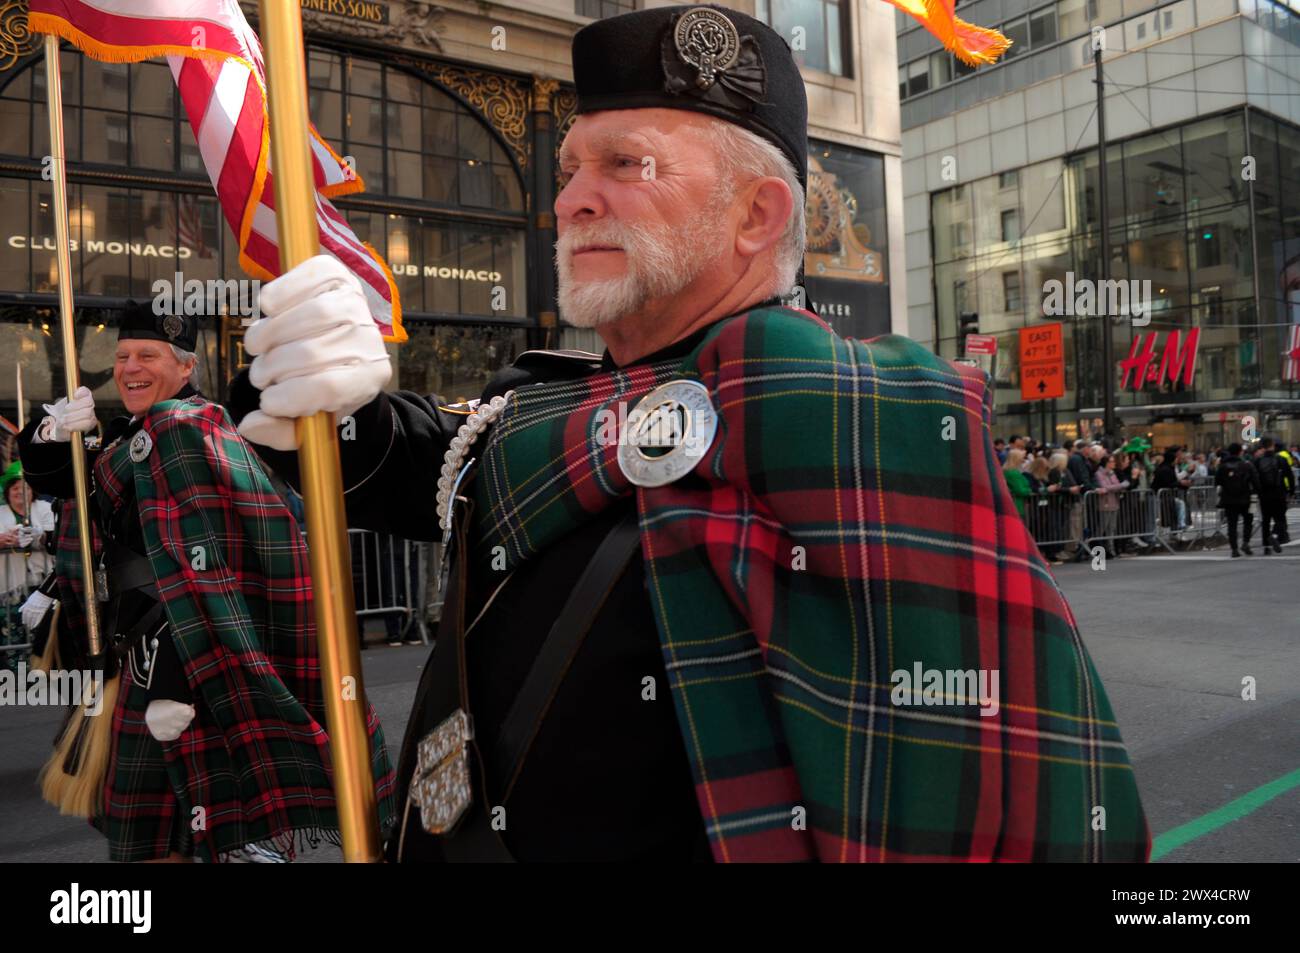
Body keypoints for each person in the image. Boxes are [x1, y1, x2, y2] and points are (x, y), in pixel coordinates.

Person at [232, 5, 1148, 863]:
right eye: (570, 172)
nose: (571, 201)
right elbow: (424, 468)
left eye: (625, 166)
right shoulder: (548, 412)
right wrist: (319, 385)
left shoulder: (847, 408)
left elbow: (991, 794)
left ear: (757, 216)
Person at [18, 302, 397, 862]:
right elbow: (80, 492)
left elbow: (211, 573)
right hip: (137, 661)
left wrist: (169, 680)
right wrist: (53, 433)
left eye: (148, 355)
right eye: (122, 356)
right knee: (157, 840)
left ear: (185, 368)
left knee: (198, 835)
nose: (130, 367)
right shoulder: (133, 436)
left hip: (191, 667)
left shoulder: (187, 430)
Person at [0, 463, 56, 671]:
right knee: (13, 628)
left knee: (42, 628)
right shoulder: (1, 512)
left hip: (42, 581)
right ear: (7, 493)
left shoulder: (44, 508)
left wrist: (37, 534)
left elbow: (54, 533)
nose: (20, 492)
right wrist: (4, 540)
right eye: (15, 488)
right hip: (10, 588)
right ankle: (16, 674)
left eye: (25, 487)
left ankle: (42, 671)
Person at [1214, 442, 1259, 557]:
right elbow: (1255, 481)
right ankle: (1245, 542)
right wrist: (1257, 493)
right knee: (1248, 521)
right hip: (1246, 498)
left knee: (1232, 524)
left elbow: (1217, 482)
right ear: (1240, 452)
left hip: (1229, 499)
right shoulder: (1247, 465)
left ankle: (1234, 549)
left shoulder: (1223, 466)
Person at [1254, 436, 1292, 554]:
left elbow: (1255, 478)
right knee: (1280, 518)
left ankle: (1266, 547)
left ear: (1263, 447)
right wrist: (1290, 491)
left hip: (1264, 495)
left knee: (1265, 520)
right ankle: (1275, 535)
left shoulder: (1258, 461)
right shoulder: (1281, 459)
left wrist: (1258, 491)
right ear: (1272, 445)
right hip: (1279, 493)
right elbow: (1289, 476)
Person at [1093, 454, 1130, 559]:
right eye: (1111, 461)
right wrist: (1121, 485)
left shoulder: (1112, 473)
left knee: (1112, 528)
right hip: (1104, 504)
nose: (1114, 463)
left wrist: (1118, 486)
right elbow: (1106, 487)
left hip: (1114, 503)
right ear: (1106, 463)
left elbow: (1115, 485)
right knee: (1102, 528)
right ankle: (1098, 551)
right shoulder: (1099, 474)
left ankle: (1111, 550)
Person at [1002, 448, 1033, 517]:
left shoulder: (1009, 471)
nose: (1024, 460)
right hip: (1017, 505)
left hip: (1016, 504)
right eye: (1022, 458)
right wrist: (1029, 490)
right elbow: (1020, 490)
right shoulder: (1013, 473)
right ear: (1017, 459)